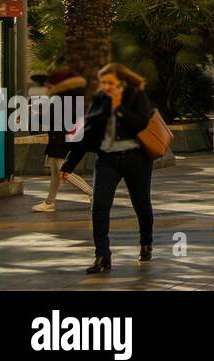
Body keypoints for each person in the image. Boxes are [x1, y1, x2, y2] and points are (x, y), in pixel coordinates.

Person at [61, 63, 155, 275]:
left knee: (141, 204)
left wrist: (119, 106)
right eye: (103, 83)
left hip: (136, 159)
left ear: (121, 82)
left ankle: (146, 243)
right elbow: (88, 133)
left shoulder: (136, 95)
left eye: (110, 83)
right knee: (99, 206)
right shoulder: (100, 99)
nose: (106, 86)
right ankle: (102, 255)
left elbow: (140, 124)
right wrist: (70, 163)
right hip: (107, 161)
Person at [32, 67, 92, 212]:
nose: (48, 86)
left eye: (51, 83)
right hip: (58, 139)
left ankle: (93, 193)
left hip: (61, 140)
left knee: (63, 171)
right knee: (55, 173)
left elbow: (55, 119)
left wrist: (37, 116)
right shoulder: (70, 96)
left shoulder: (65, 98)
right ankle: (49, 202)